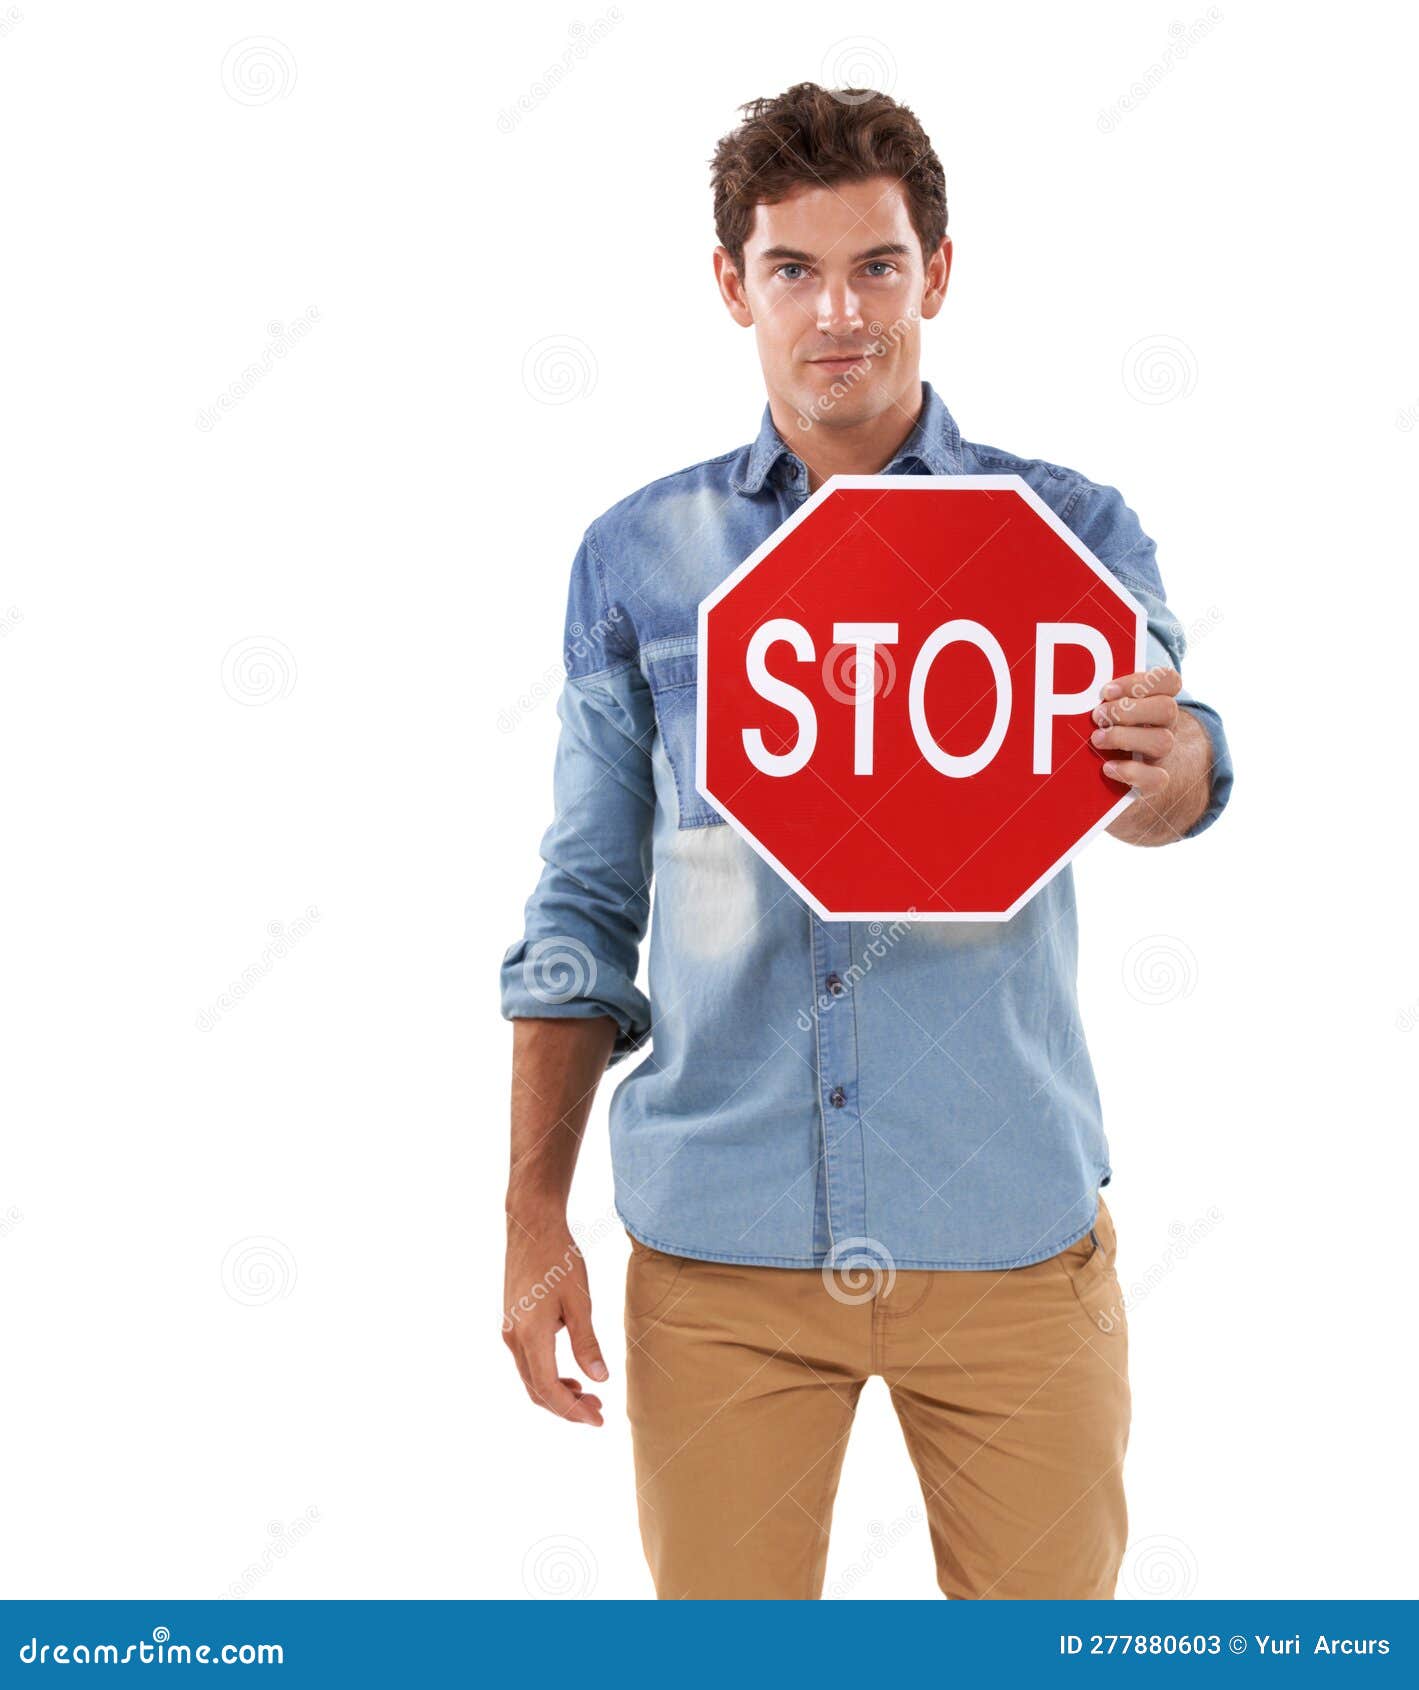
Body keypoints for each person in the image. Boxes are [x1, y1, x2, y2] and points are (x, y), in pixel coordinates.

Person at [499, 82, 1232, 1600]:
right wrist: (529, 1215)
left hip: (1010, 1233)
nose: (841, 311)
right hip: (721, 1256)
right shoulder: (639, 559)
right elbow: (583, 897)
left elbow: (1169, 769)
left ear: (937, 273)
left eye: (879, 265)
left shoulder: (1068, 530)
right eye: (793, 269)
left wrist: (1182, 768)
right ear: (732, 285)